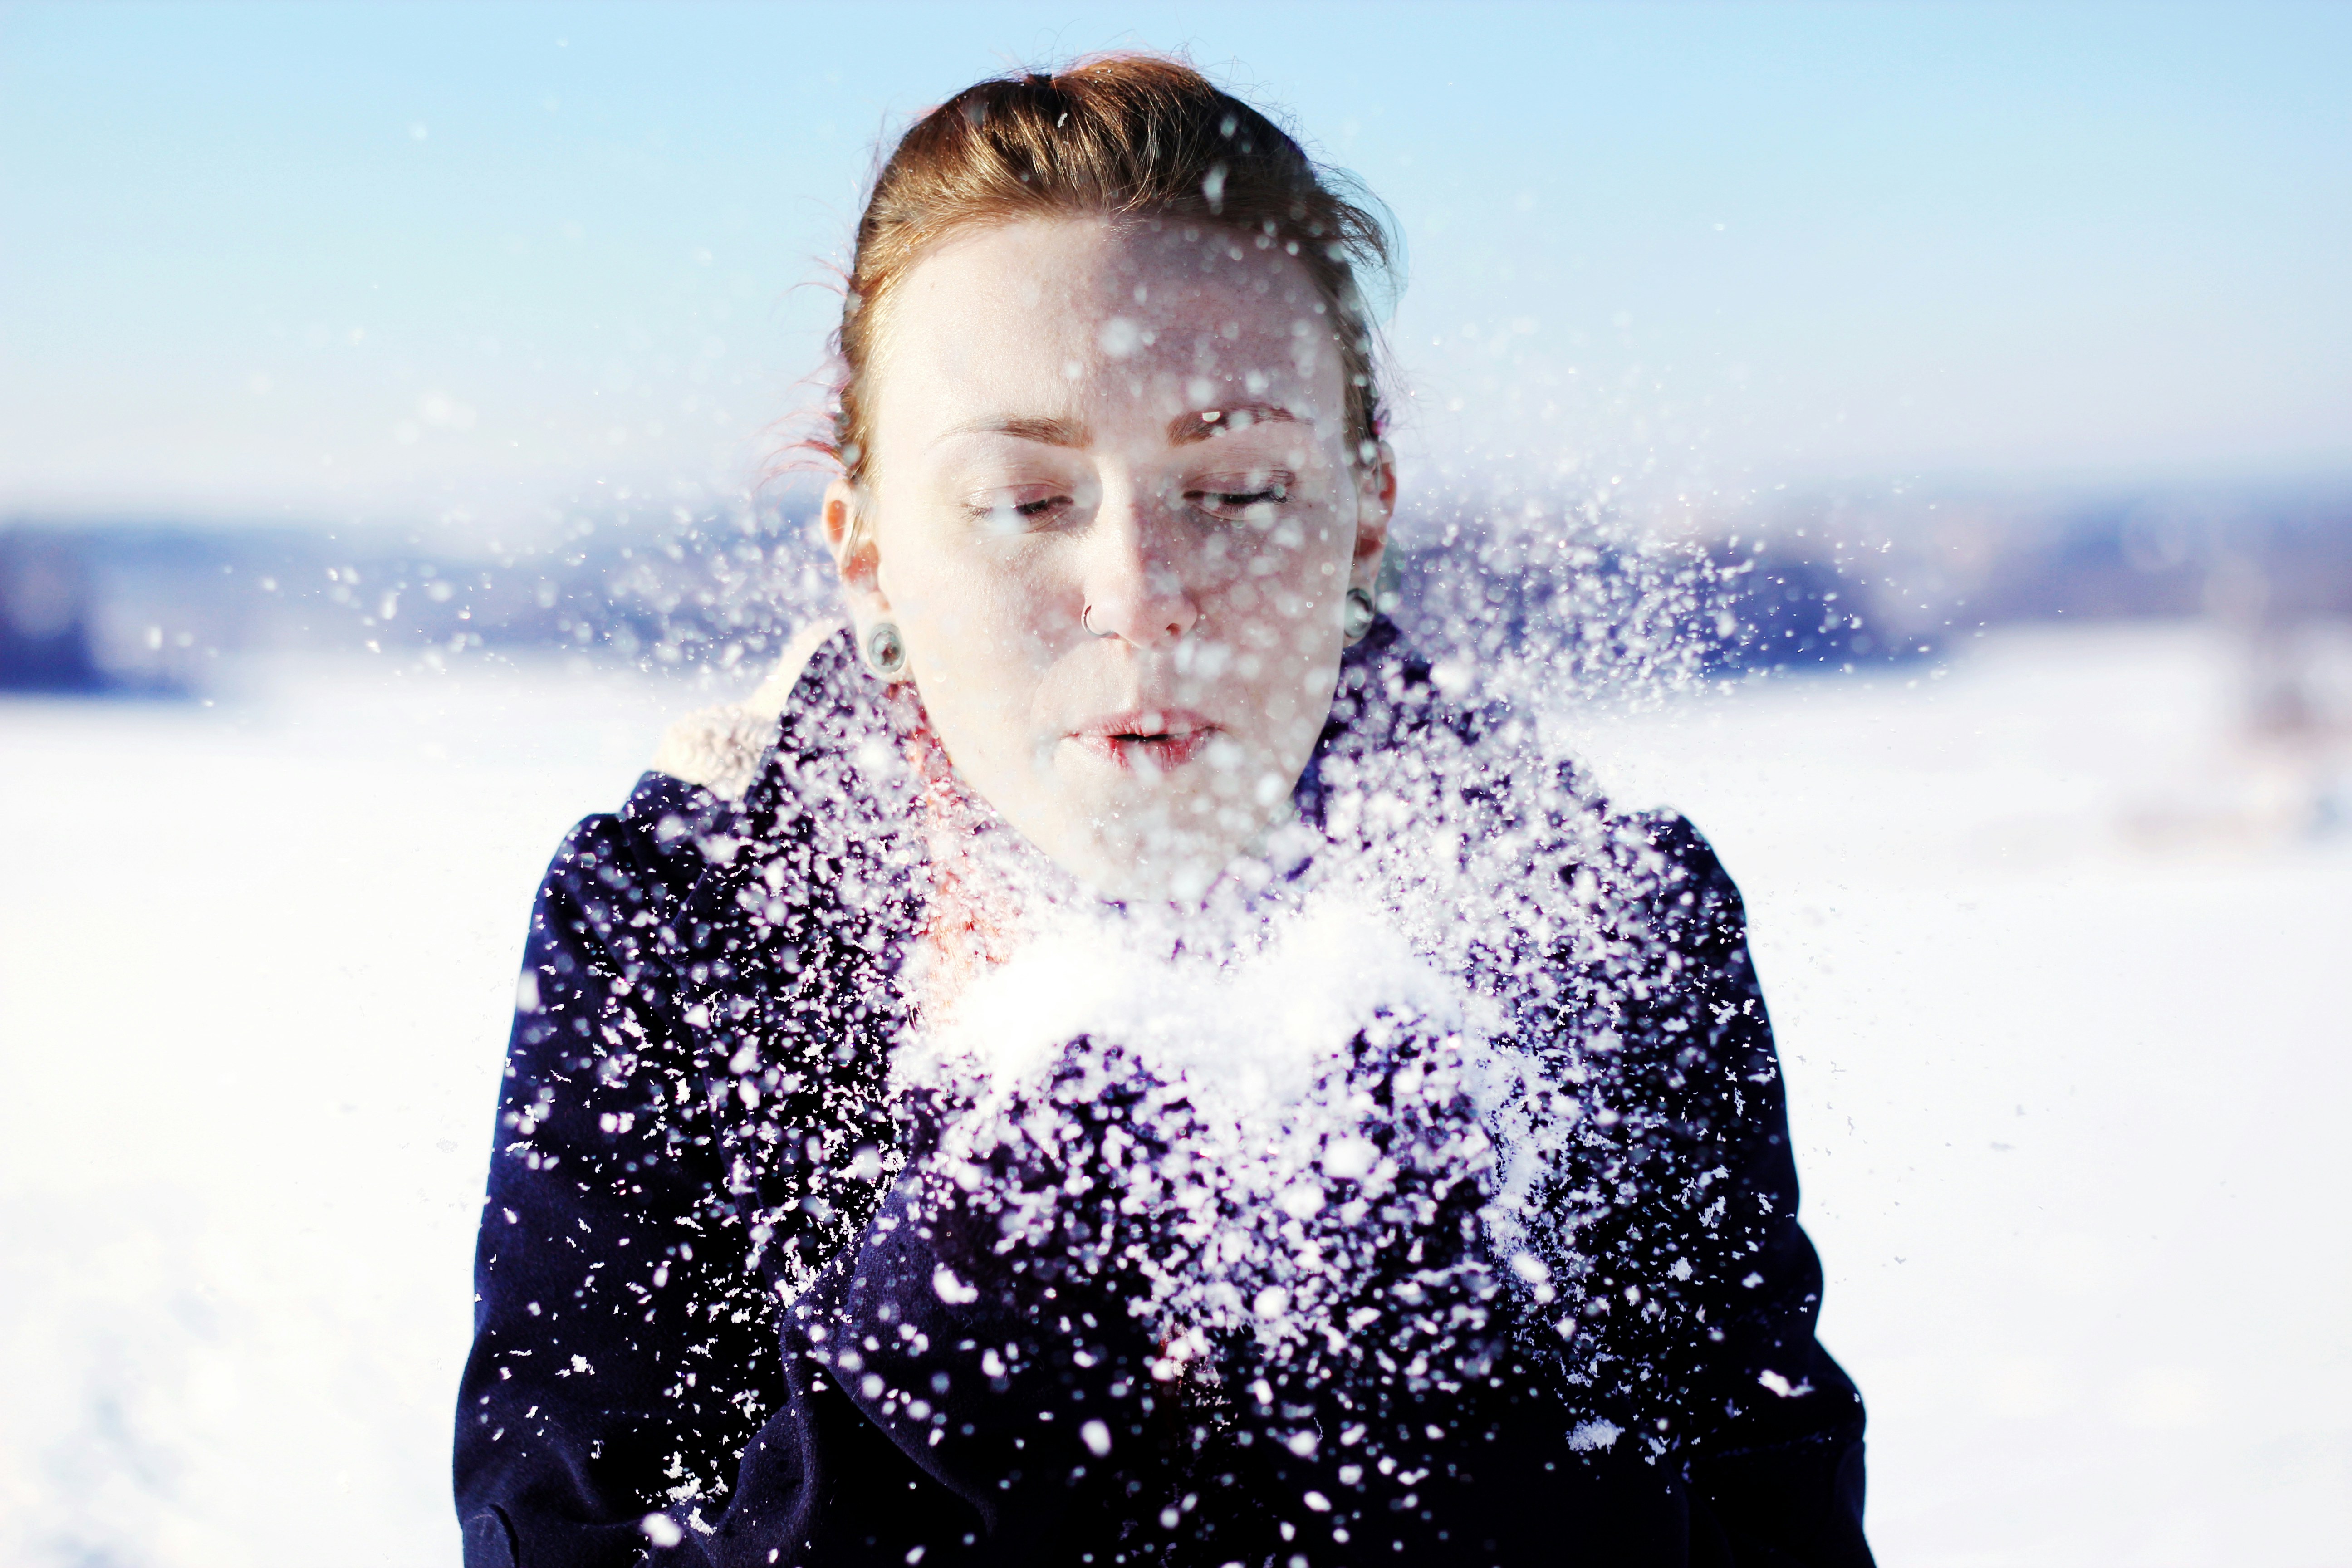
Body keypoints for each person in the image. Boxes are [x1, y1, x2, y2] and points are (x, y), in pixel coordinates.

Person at [455, 56, 1872, 1568]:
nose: (1137, 595)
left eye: (1238, 490)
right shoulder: (687, 933)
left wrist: (1413, 1324)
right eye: (1022, 500)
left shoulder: (1595, 924)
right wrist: (976, 1291)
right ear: (866, 547)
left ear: (1363, 513)